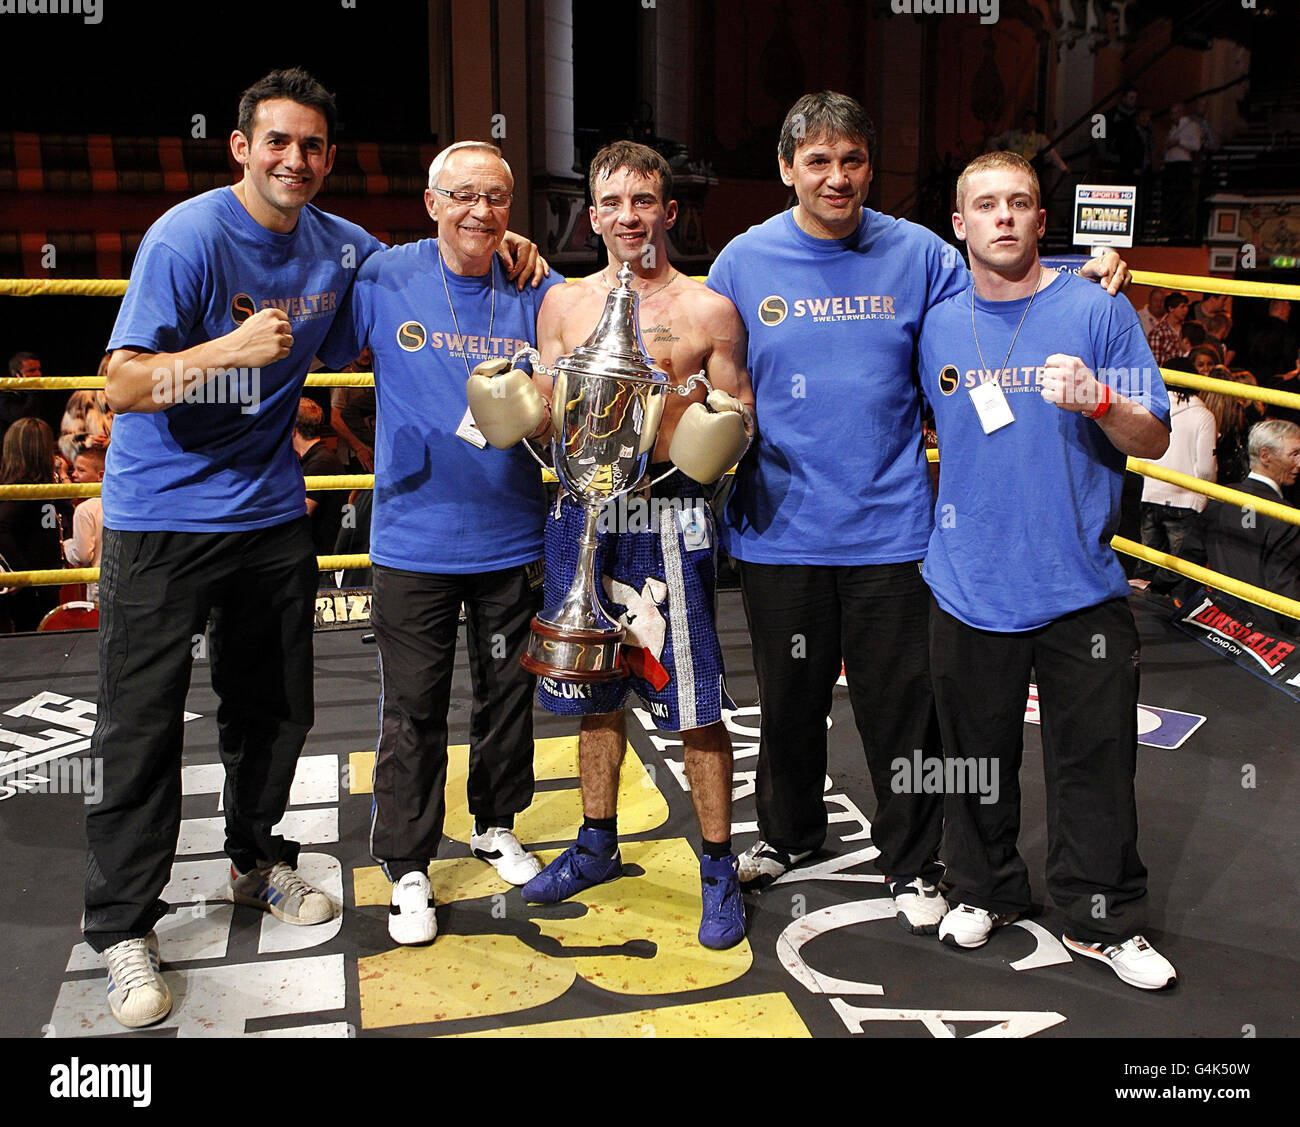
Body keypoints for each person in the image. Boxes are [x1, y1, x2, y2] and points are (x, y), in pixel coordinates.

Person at [87, 71, 548, 1028]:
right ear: (242, 147)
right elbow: (122, 387)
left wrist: (504, 241)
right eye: (277, 143)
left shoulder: (349, 252)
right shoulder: (187, 236)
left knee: (276, 711)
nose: (294, 160)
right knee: (141, 724)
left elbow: (435, 269)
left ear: (328, 158)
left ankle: (255, 863)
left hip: (265, 517)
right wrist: (222, 353)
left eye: (311, 147)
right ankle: (125, 925)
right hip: (161, 518)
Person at [704, 92, 1131, 935]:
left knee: (905, 711)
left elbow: (1009, 268)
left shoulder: (918, 252)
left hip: (895, 526)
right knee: (788, 699)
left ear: (871, 167)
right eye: (818, 162)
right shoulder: (743, 261)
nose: (837, 177)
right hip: (779, 524)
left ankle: (914, 859)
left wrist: (1097, 261)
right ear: (788, 169)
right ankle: (787, 835)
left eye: (852, 159)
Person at [916, 151, 1176, 989]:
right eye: (985, 205)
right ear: (959, 224)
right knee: (972, 755)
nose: (1002, 217)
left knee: (1094, 760)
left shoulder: (1099, 308)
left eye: (1019, 203)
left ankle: (1101, 914)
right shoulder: (937, 319)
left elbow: (1156, 437)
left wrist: (1102, 401)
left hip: (1078, 585)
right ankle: (982, 885)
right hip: (967, 578)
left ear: (1040, 219)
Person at [319, 140, 563, 946]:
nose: (479, 212)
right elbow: (321, 333)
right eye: (462, 196)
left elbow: (585, 344)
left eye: (495, 198)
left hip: (511, 533)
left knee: (506, 699)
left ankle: (495, 821)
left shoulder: (535, 284)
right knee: (413, 709)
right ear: (431, 203)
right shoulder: (386, 276)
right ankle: (408, 861)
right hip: (414, 542)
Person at [520, 141, 755, 950]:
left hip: (670, 514)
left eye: (644, 201)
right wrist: (514, 410)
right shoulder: (560, 307)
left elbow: (742, 416)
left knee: (693, 699)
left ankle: (719, 865)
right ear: (594, 215)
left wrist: (705, 424)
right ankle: (595, 842)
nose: (629, 216)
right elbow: (550, 415)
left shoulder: (707, 311)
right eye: (613, 202)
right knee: (594, 688)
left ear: (668, 211)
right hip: (582, 514)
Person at [1184, 419, 1300, 635]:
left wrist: (1155, 587)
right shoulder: (1284, 515)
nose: (1299, 463)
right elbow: (1284, 588)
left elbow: (1189, 556)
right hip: (1266, 638)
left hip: (1219, 625)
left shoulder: (1221, 498)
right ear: (1265, 455)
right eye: (1294, 454)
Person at [1133, 378, 1216, 596]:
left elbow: (1136, 452)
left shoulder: (1149, 408)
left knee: (1147, 569)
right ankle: (1176, 623)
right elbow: (1206, 469)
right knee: (1181, 573)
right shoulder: (1203, 416)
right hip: (1185, 501)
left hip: (1150, 496)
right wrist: (1207, 494)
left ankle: (1143, 619)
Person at [0, 417, 64, 632]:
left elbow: (51, 522)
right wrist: (18, 571)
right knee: (34, 638)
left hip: (45, 575)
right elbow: (2, 525)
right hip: (33, 580)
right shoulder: (25, 488)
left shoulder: (43, 484)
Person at [291, 397, 349, 581]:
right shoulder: (312, 458)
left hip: (319, 558)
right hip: (312, 553)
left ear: (292, 430)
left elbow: (301, 512)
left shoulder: (321, 462)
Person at [63, 442, 106, 603]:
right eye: (73, 469)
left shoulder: (85, 509)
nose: (74, 475)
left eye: (81, 470)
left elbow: (82, 556)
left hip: (99, 587)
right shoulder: (126, 501)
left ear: (100, 476)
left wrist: (66, 546)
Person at [1147, 291, 1189, 367]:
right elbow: (1155, 363)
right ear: (1171, 308)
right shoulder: (1158, 333)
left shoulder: (1188, 328)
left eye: (1187, 306)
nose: (1186, 309)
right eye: (1182, 306)